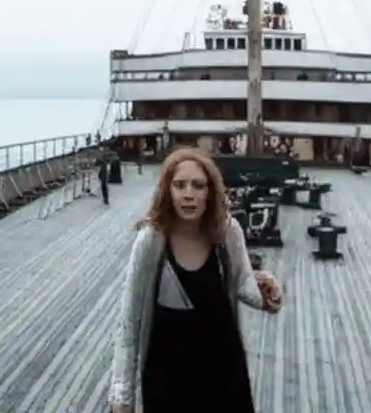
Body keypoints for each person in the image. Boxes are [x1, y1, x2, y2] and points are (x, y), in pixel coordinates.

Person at [108, 147, 282, 413]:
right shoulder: (151, 241)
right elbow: (130, 320)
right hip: (167, 378)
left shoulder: (227, 232)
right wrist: (121, 396)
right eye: (180, 185)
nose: (189, 194)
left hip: (223, 372)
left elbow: (242, 280)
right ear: (169, 191)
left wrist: (267, 292)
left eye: (198, 185)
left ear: (210, 192)